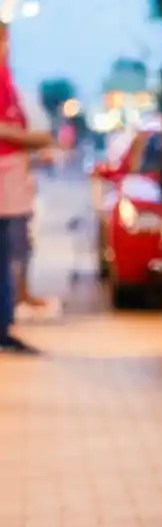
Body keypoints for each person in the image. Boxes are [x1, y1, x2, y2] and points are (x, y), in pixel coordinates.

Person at [0, 20, 52, 353]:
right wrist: (31, 140)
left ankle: (5, 326)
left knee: (10, 255)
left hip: (11, 181)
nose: (7, 47)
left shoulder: (8, 81)